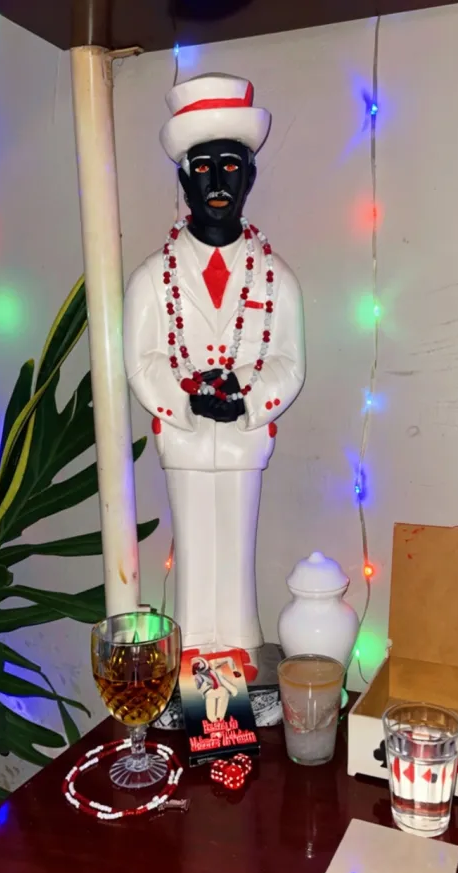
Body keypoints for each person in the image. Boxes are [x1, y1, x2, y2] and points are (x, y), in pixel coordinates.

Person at [124, 74, 306, 661]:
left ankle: (240, 646)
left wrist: (248, 401)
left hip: (243, 443)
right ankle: (194, 650)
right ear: (183, 180)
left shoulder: (278, 277)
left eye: (231, 166)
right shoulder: (153, 276)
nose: (218, 182)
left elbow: (288, 362)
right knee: (195, 546)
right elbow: (143, 361)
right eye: (203, 168)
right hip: (184, 439)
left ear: (250, 176)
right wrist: (183, 402)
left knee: (237, 547)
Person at [191, 655, 240, 722]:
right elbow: (199, 687)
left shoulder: (212, 663)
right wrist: (207, 690)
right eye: (197, 668)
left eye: (199, 665)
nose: (199, 668)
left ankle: (219, 718)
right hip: (209, 691)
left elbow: (228, 658)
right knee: (211, 714)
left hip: (221, 687)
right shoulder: (198, 676)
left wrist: (235, 671)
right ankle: (214, 720)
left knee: (224, 692)